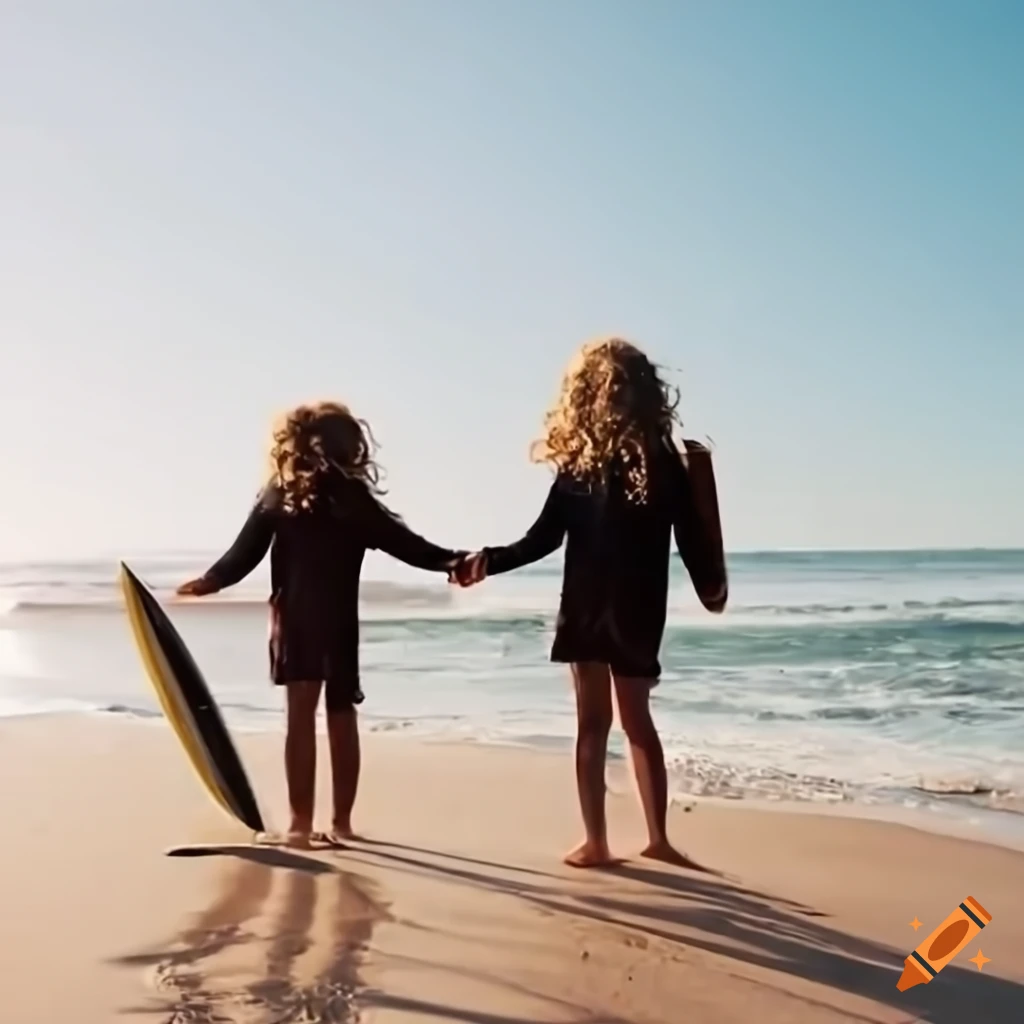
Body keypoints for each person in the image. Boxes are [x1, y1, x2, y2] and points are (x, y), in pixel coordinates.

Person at [452, 339, 726, 868]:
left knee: (594, 725)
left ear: (583, 397)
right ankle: (658, 839)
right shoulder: (665, 466)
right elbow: (695, 542)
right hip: (638, 609)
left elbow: (540, 541)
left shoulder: (582, 468)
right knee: (635, 721)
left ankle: (597, 843)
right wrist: (711, 588)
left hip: (585, 608)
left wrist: (486, 560)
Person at [177, 401, 463, 848]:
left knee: (300, 719)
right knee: (341, 715)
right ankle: (342, 822)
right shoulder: (352, 497)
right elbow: (406, 544)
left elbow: (244, 553)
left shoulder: (280, 492)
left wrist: (210, 581)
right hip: (337, 621)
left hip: (293, 620)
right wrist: (451, 562)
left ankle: (299, 825)